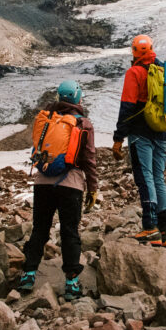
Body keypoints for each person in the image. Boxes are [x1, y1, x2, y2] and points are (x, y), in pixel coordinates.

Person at [19, 80, 98, 300]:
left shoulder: (46, 119)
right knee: (69, 231)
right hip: (71, 184)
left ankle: (28, 274)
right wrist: (93, 188)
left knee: (40, 229)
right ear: (78, 98)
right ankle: (72, 282)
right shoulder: (83, 123)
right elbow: (89, 159)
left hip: (42, 183)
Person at [112, 34, 166, 248]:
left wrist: (118, 138)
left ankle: (149, 226)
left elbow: (127, 107)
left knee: (146, 178)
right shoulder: (165, 73)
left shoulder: (135, 73)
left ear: (134, 51)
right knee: (158, 179)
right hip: (161, 133)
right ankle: (165, 232)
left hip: (140, 134)